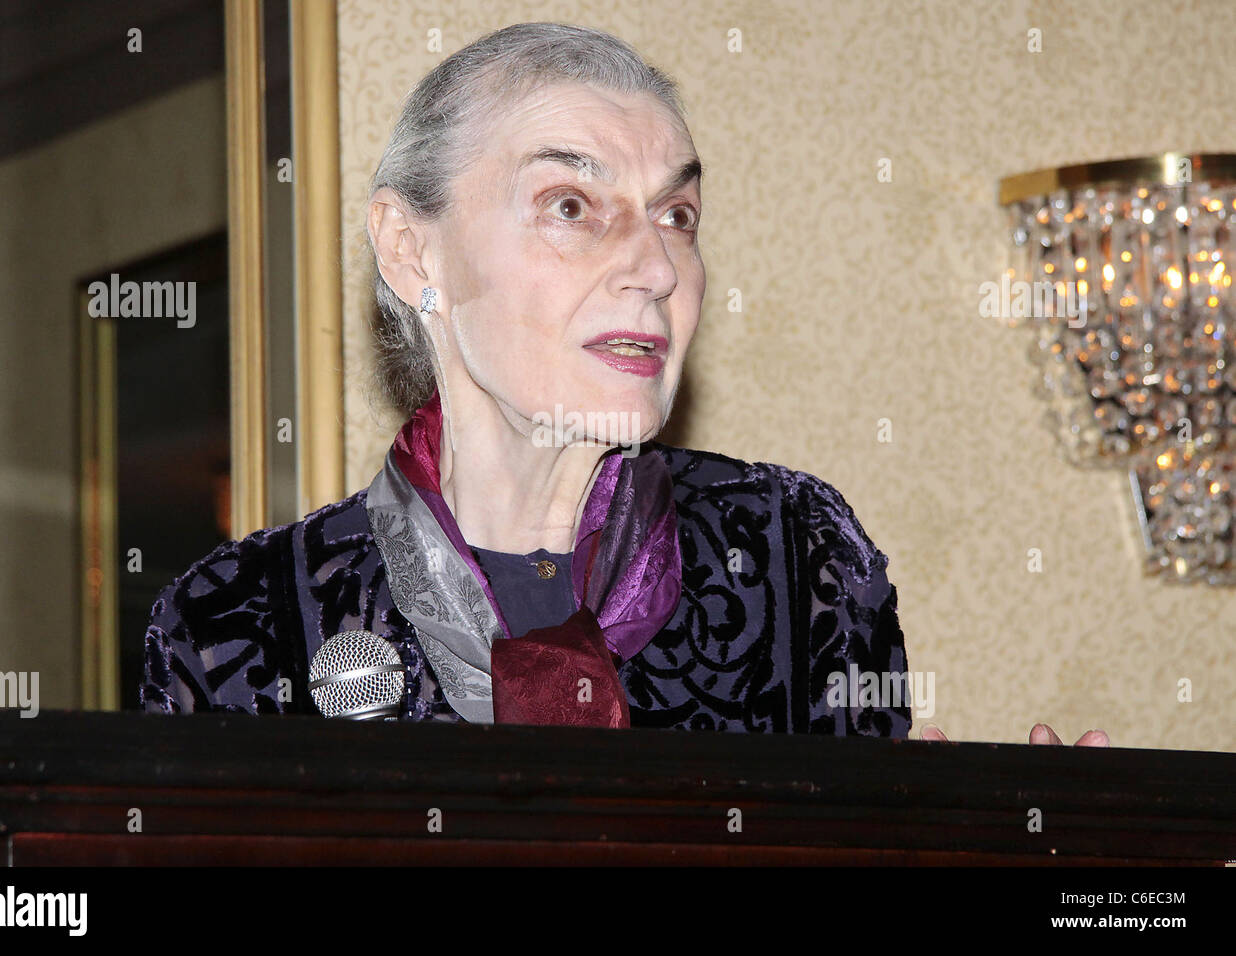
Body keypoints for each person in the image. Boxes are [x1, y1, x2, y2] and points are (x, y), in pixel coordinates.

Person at [142, 21, 1105, 748]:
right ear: (409, 249)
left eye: (676, 214)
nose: (655, 265)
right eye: (573, 204)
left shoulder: (793, 557)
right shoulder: (243, 623)